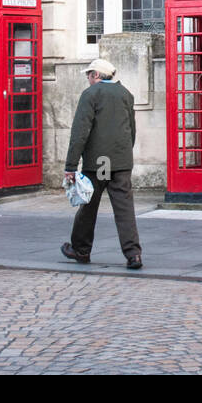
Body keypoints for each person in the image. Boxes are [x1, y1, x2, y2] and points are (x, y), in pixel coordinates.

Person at [61, 58, 143, 269]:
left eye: (89, 75)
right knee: (124, 209)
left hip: (101, 162)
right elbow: (131, 130)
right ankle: (133, 255)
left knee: (88, 206)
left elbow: (80, 132)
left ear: (96, 75)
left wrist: (70, 166)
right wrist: (124, 154)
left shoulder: (91, 94)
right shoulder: (125, 93)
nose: (88, 79)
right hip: (121, 160)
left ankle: (81, 250)